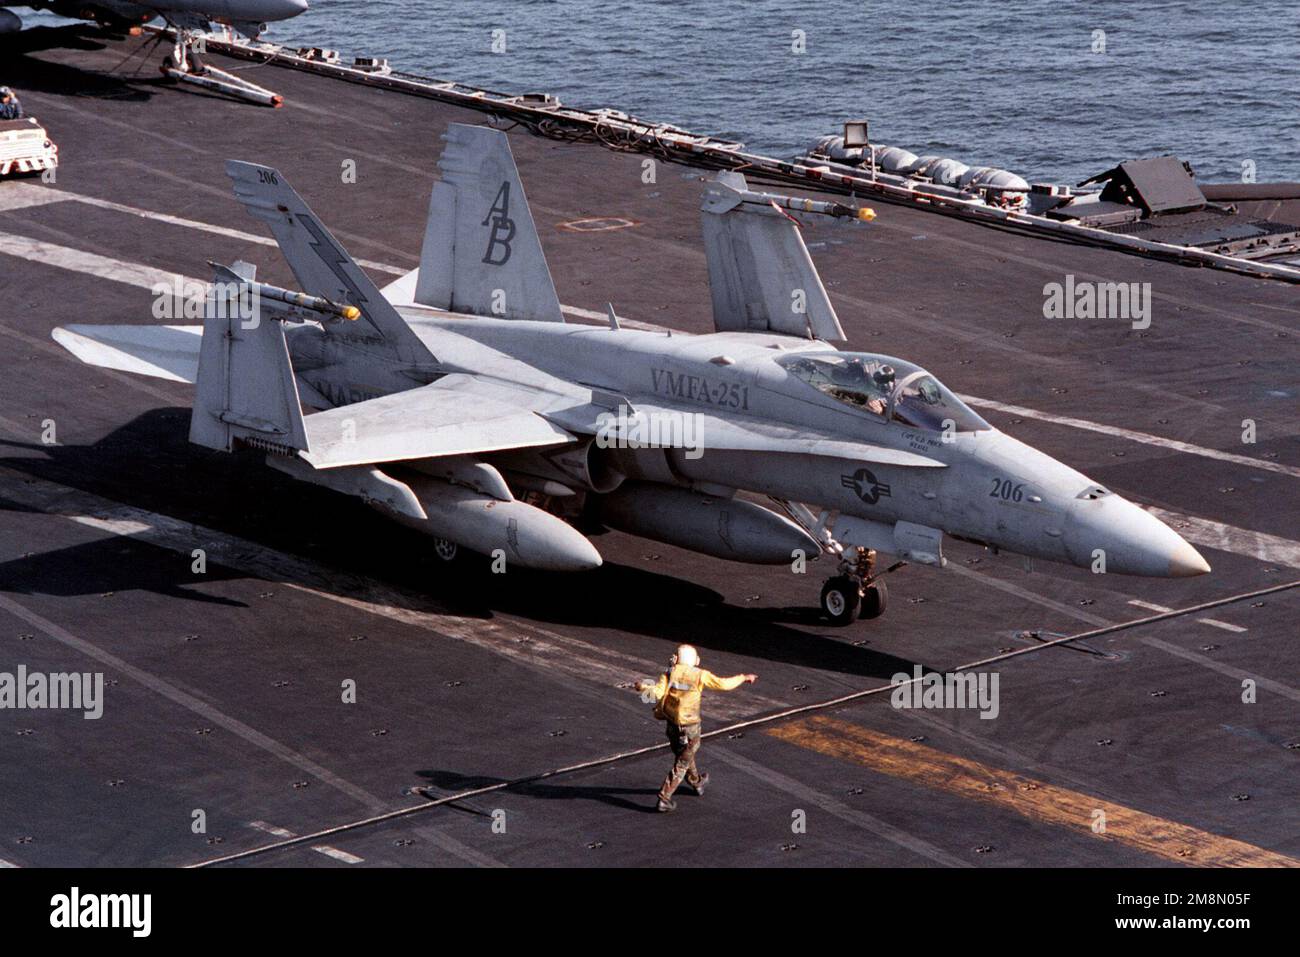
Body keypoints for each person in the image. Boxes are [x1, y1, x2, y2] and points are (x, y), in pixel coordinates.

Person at [635, 645, 757, 813]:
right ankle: (664, 797)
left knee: (685, 752)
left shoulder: (669, 673)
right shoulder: (700, 675)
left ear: (677, 658)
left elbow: (656, 693)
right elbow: (723, 684)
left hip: (672, 725)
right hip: (690, 726)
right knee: (683, 760)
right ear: (695, 660)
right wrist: (743, 677)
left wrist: (642, 686)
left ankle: (697, 782)